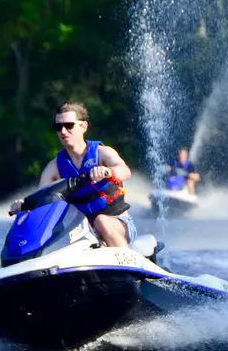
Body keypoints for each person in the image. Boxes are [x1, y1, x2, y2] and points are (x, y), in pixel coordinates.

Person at [8, 102, 136, 248]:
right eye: (58, 127)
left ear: (83, 126)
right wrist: (24, 205)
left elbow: (125, 171)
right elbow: (41, 199)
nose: (63, 131)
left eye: (69, 125)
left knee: (101, 221)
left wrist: (108, 171)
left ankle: (124, 264)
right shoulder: (54, 167)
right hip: (78, 232)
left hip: (118, 224)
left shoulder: (102, 153)